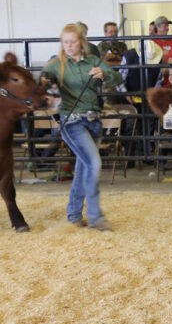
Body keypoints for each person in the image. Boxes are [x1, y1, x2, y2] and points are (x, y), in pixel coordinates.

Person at [40, 23, 122, 231]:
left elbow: (117, 77)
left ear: (81, 42)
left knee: (83, 168)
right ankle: (96, 217)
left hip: (93, 121)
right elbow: (40, 83)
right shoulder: (55, 65)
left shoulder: (94, 61)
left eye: (72, 42)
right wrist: (44, 85)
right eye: (65, 42)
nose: (68, 46)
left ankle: (74, 215)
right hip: (71, 121)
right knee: (94, 163)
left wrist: (104, 74)